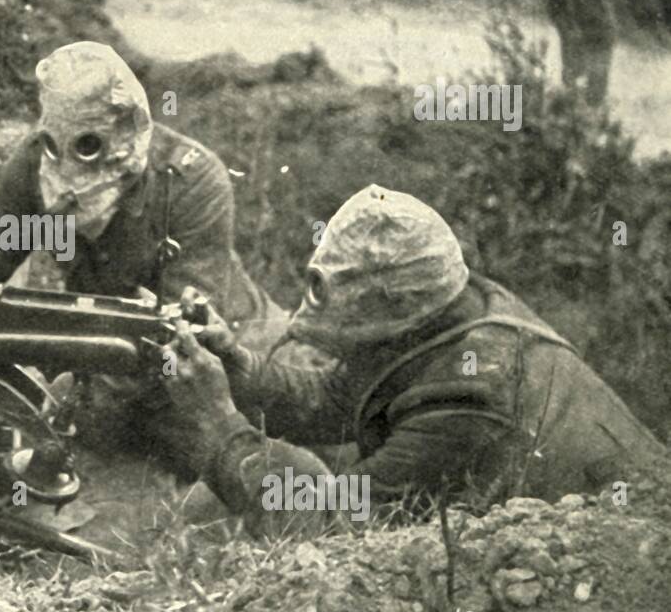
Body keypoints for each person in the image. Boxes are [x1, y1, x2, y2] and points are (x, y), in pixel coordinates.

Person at [162, 184, 668, 536]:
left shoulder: (469, 396)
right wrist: (235, 365)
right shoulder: (450, 307)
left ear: (392, 312)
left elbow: (323, 522)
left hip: (620, 550)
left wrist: (219, 420)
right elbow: (335, 397)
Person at [0, 40, 293, 464]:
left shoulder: (191, 182)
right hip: (108, 350)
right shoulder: (36, 164)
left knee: (231, 472)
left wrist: (63, 404)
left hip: (220, 358)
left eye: (89, 147)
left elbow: (181, 335)